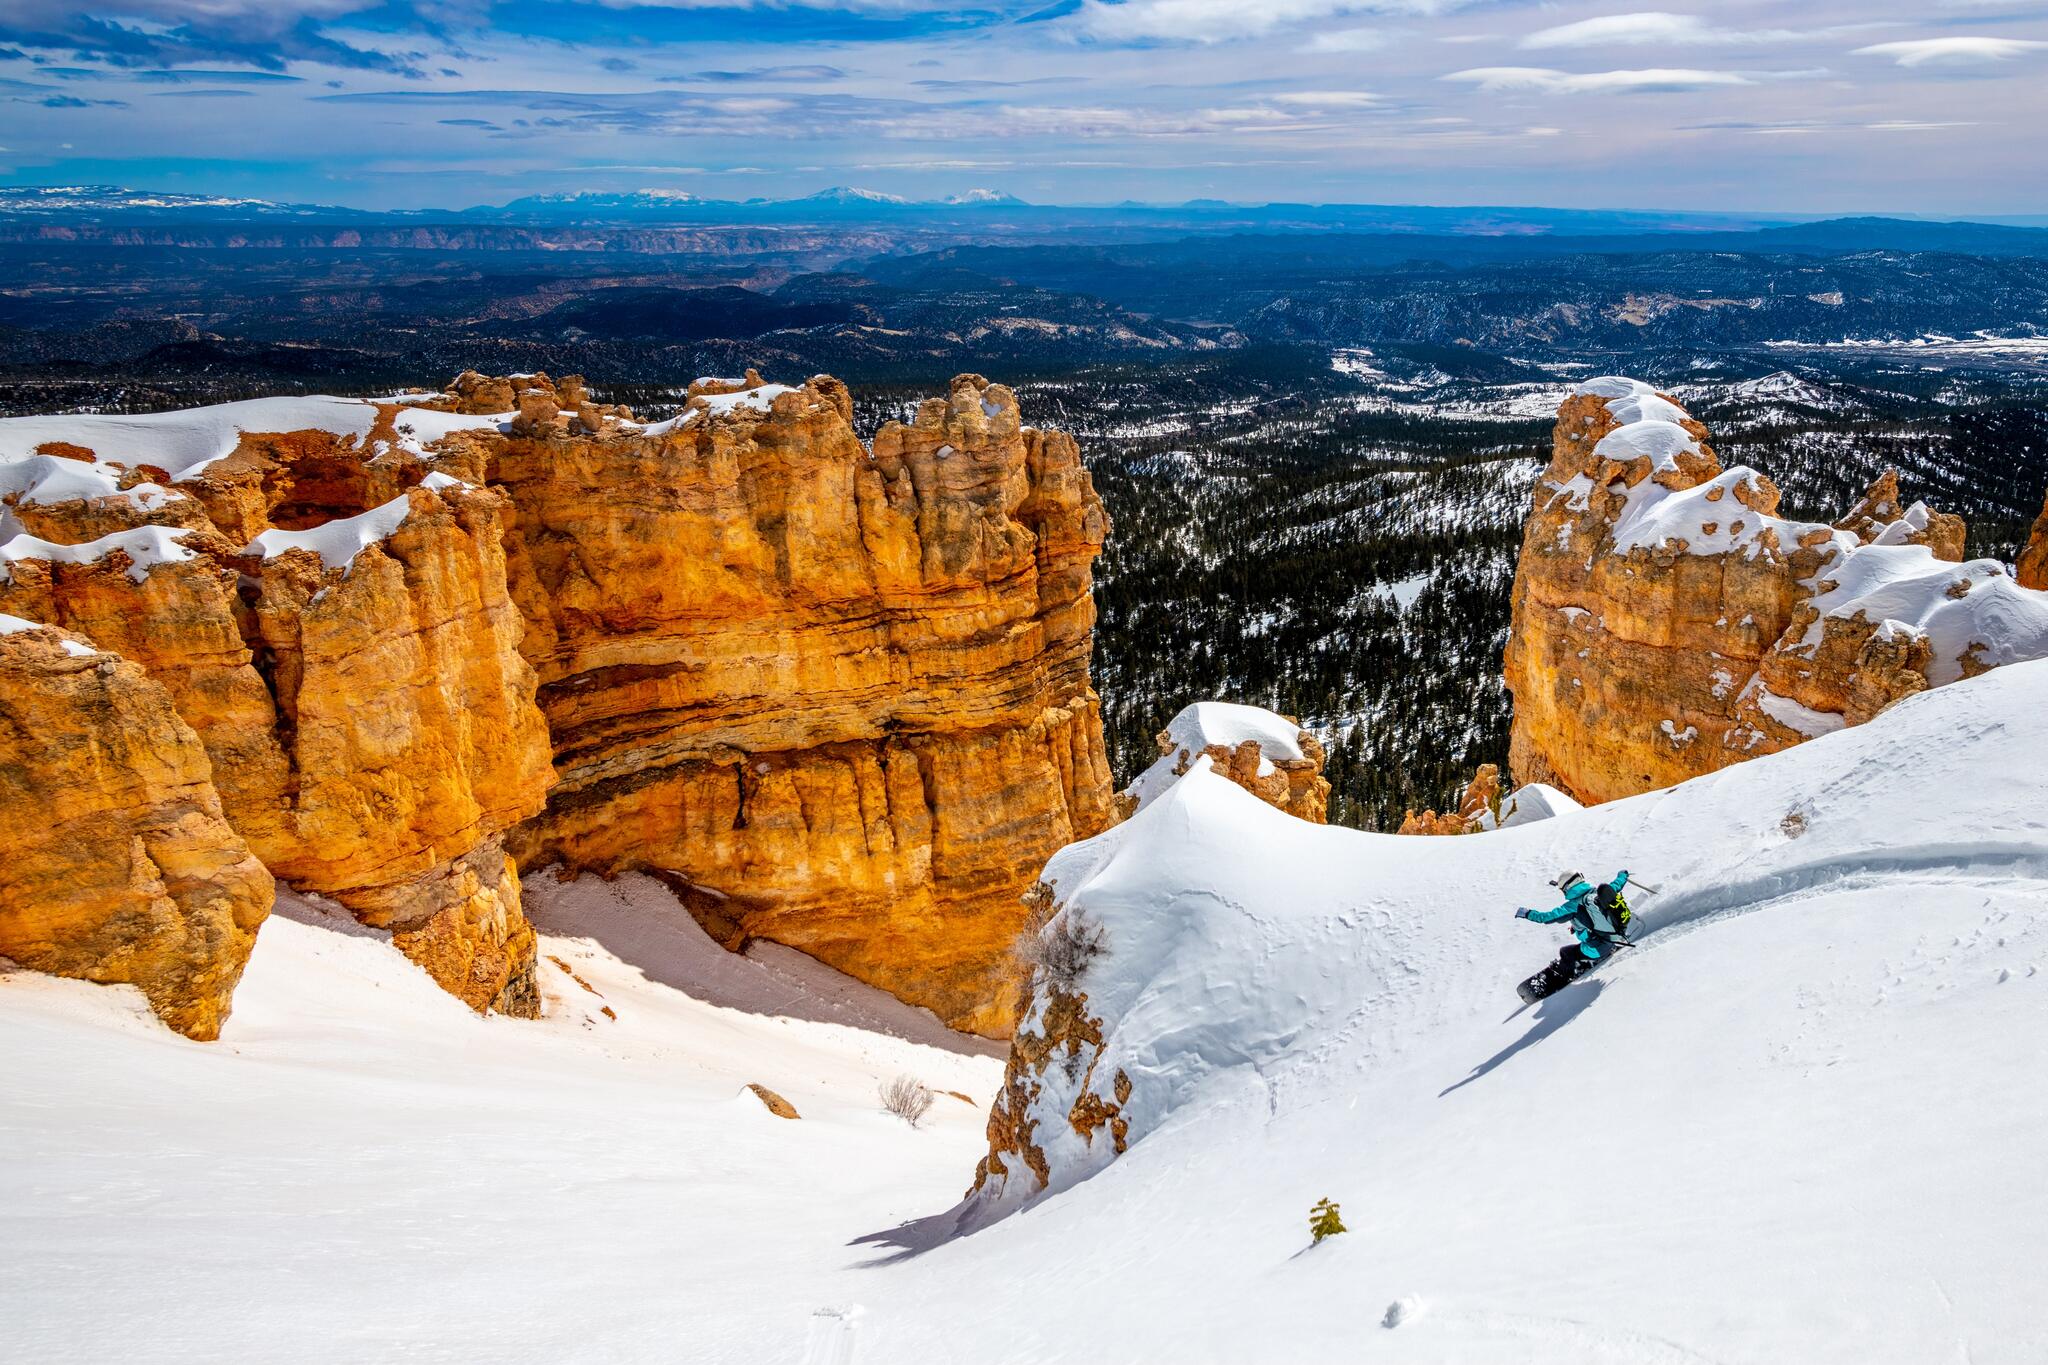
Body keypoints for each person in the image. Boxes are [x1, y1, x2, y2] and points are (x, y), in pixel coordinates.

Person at [1514, 869, 1631, 1003]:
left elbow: (1546, 917)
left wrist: (1527, 913)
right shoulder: (1596, 894)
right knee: (1577, 947)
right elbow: (1617, 884)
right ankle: (1587, 958)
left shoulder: (1572, 906)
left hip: (1598, 948)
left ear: (1567, 888)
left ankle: (1562, 975)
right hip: (1614, 937)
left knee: (1566, 952)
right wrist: (1623, 874)